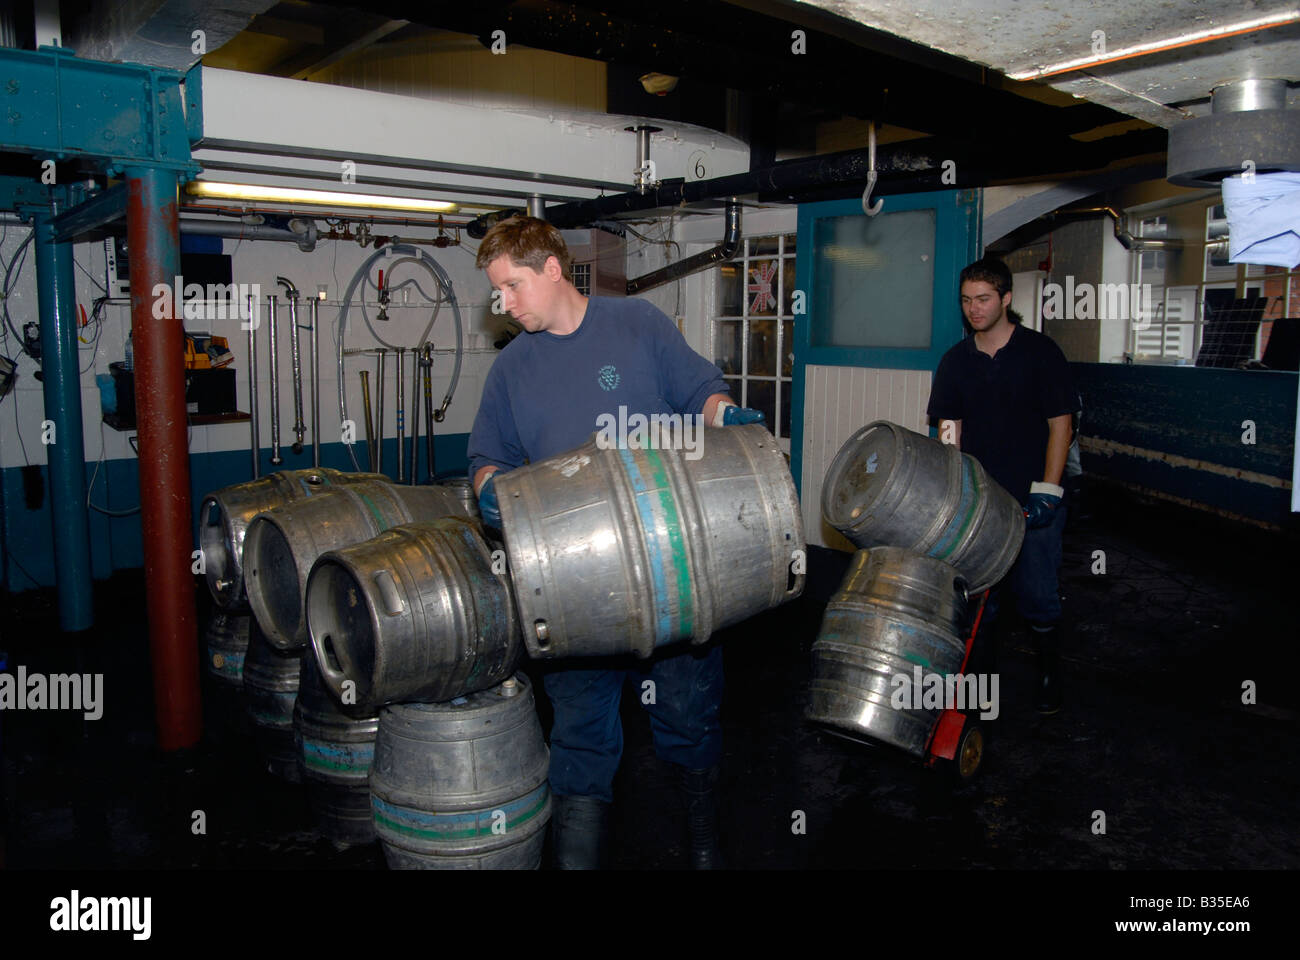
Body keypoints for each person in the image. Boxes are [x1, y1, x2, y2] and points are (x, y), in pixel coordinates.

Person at [466, 216, 763, 868]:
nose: (504, 305)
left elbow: (698, 393)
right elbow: (489, 455)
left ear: (552, 267)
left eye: (513, 287)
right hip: (572, 581)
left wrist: (728, 417)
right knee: (581, 737)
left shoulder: (639, 325)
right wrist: (489, 487)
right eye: (497, 293)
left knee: (687, 718)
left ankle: (705, 846)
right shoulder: (512, 370)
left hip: (675, 567)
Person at [926, 257, 1079, 715]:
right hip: (982, 501)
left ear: (1006, 299)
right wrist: (956, 490)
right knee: (978, 598)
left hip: (1034, 496)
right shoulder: (955, 362)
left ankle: (1050, 674)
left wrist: (1048, 490)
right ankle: (979, 690)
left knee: (1037, 595)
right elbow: (948, 428)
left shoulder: (1040, 353)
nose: (974, 309)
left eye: (984, 299)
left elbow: (1061, 425)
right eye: (967, 301)